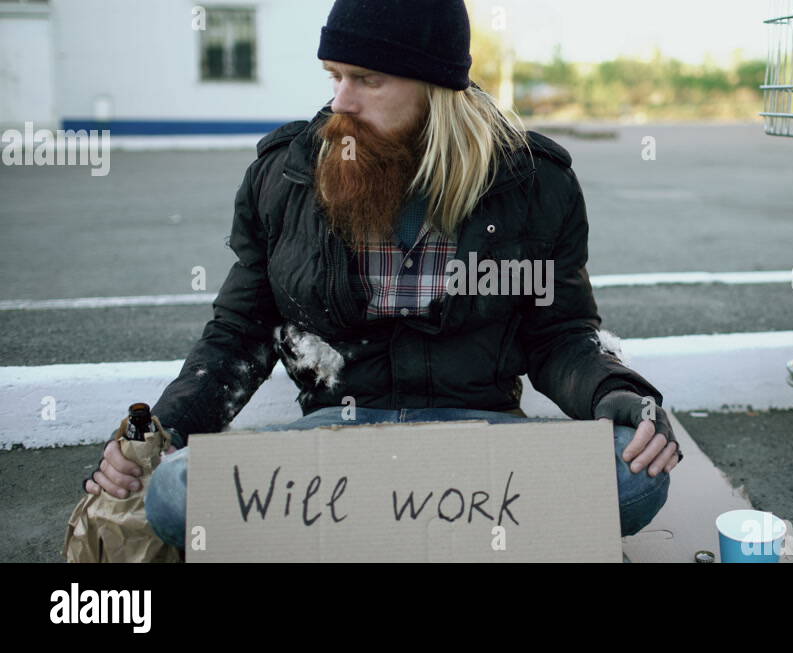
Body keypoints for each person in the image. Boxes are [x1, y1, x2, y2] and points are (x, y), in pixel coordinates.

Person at [84, 0, 683, 553]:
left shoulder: (531, 181)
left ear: (436, 87)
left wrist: (616, 394)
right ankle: (435, 536)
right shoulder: (286, 176)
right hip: (335, 445)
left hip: (480, 441)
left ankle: (378, 535)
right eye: (335, 75)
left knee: (635, 478)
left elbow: (559, 335)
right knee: (173, 491)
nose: (342, 100)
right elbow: (241, 331)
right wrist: (165, 430)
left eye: (368, 79)